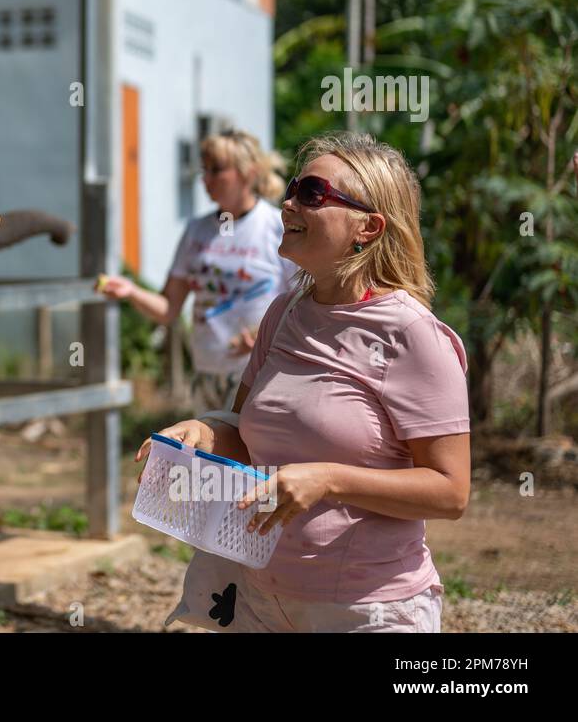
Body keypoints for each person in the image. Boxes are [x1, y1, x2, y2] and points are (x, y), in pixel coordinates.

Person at [141, 131, 472, 633]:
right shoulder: (284, 313)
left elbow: (450, 492)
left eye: (312, 194)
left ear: (369, 226)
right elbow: (246, 438)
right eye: (293, 188)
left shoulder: (413, 335)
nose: (288, 203)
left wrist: (329, 479)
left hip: (367, 611)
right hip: (260, 599)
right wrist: (204, 432)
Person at [100, 128, 298, 411]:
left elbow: (304, 304)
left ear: (249, 173)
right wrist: (130, 291)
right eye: (204, 170)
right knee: (205, 455)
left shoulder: (275, 226)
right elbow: (169, 308)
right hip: (205, 374)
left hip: (257, 374)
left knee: (246, 456)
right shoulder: (197, 230)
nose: (206, 180)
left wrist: (261, 336)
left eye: (216, 170)